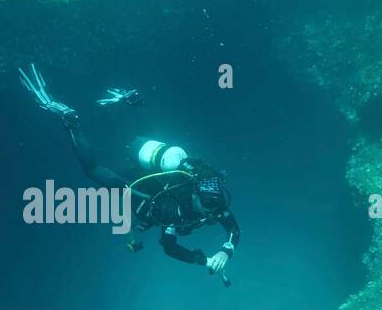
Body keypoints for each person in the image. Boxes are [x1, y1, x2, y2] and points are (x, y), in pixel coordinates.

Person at [20, 64, 240, 283]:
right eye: (209, 206)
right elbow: (170, 248)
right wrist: (203, 261)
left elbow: (233, 229)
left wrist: (224, 252)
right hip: (140, 189)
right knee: (93, 171)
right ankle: (71, 122)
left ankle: (135, 101)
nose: (214, 211)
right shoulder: (173, 211)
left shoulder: (213, 197)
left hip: (158, 173)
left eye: (216, 205)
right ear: (194, 195)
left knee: (147, 138)